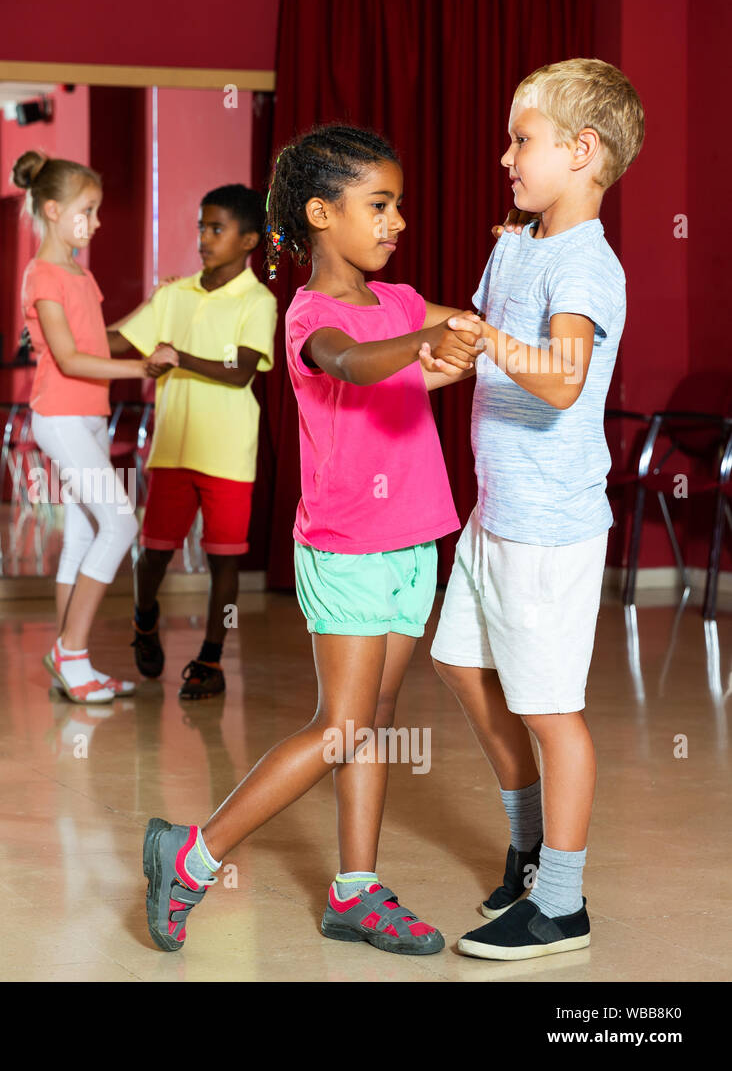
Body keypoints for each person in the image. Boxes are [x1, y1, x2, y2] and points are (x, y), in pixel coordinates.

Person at [143, 124, 484, 955]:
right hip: (348, 548)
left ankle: (355, 889)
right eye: (380, 204)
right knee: (340, 726)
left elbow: (464, 329)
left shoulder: (400, 301)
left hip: (413, 543)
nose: (398, 218)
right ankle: (192, 854)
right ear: (322, 214)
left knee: (375, 721)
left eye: (399, 203)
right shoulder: (309, 315)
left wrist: (480, 325)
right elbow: (356, 364)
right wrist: (430, 343)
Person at [433, 59, 645, 960]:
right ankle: (528, 841)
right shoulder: (515, 242)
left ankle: (561, 900)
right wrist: (409, 360)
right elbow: (471, 349)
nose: (506, 155)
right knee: (458, 665)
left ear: (581, 150)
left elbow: (558, 379)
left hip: (550, 526)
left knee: (551, 709)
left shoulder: (589, 265)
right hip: (495, 512)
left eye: (523, 139)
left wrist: (488, 342)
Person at [13, 149, 172, 705]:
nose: (97, 221)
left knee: (85, 532)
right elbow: (71, 358)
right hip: (59, 416)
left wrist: (152, 308)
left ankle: (70, 660)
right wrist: (143, 366)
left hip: (89, 416)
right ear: (53, 211)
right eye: (89, 209)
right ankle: (70, 652)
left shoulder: (80, 273)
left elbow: (96, 339)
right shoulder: (42, 274)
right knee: (121, 524)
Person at [112, 184, 277, 699]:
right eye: (202, 227)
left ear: (248, 239)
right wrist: (56, 328)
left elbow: (240, 370)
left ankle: (210, 659)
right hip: (173, 451)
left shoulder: (259, 300)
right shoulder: (173, 294)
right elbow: (122, 340)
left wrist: (179, 356)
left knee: (222, 562)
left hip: (228, 455)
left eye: (216, 228)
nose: (204, 238)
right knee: (152, 554)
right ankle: (144, 619)